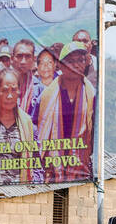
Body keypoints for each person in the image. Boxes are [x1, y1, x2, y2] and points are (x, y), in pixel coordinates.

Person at [35, 42, 97, 182]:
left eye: (80, 60)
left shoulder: (92, 96)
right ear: (61, 66)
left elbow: (95, 136)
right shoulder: (46, 96)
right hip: (51, 171)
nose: (76, 65)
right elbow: (35, 131)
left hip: (81, 170)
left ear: (85, 64)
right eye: (70, 61)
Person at [0, 68, 44, 186]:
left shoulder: (29, 127)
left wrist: (34, 188)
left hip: (21, 195)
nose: (10, 96)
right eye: (5, 90)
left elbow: (37, 167)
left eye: (14, 90)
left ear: (19, 92)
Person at [10, 39, 44, 120]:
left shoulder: (40, 89)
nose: (23, 61)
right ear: (12, 59)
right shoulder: (2, 85)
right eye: (19, 56)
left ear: (33, 59)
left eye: (28, 56)